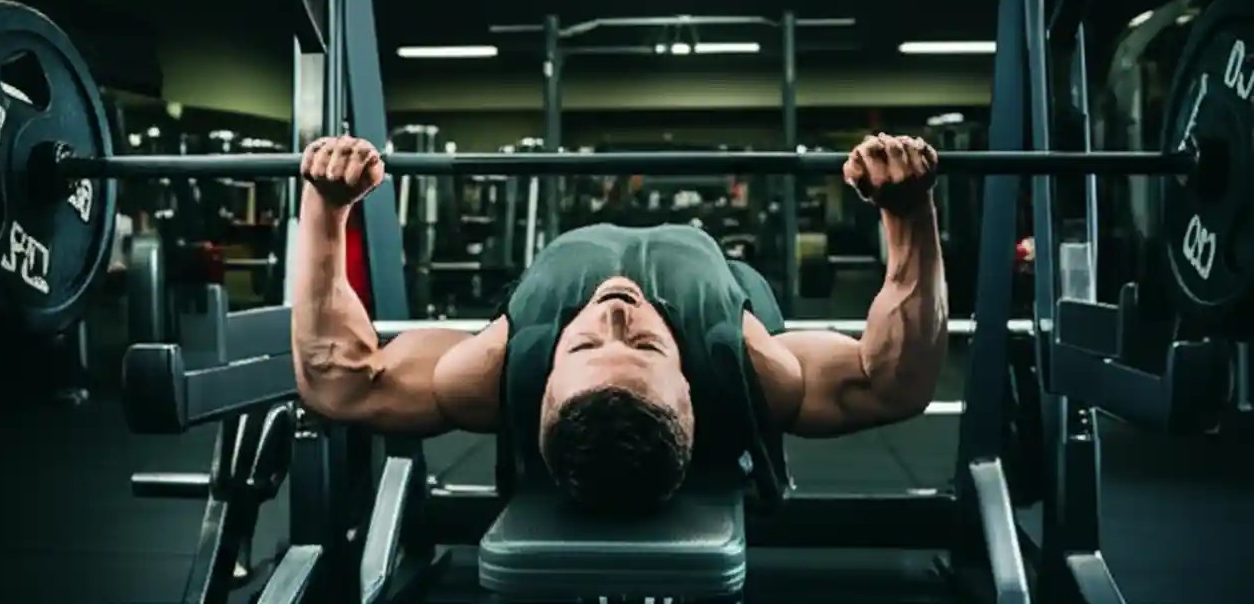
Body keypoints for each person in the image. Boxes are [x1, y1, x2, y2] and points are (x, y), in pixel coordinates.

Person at [291, 134, 947, 513]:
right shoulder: (751, 371)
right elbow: (892, 381)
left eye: (582, 342)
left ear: (544, 383)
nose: (613, 310)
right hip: (713, 275)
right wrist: (908, 210)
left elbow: (341, 380)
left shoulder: (487, 373)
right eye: (644, 344)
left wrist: (325, 205)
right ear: (688, 389)